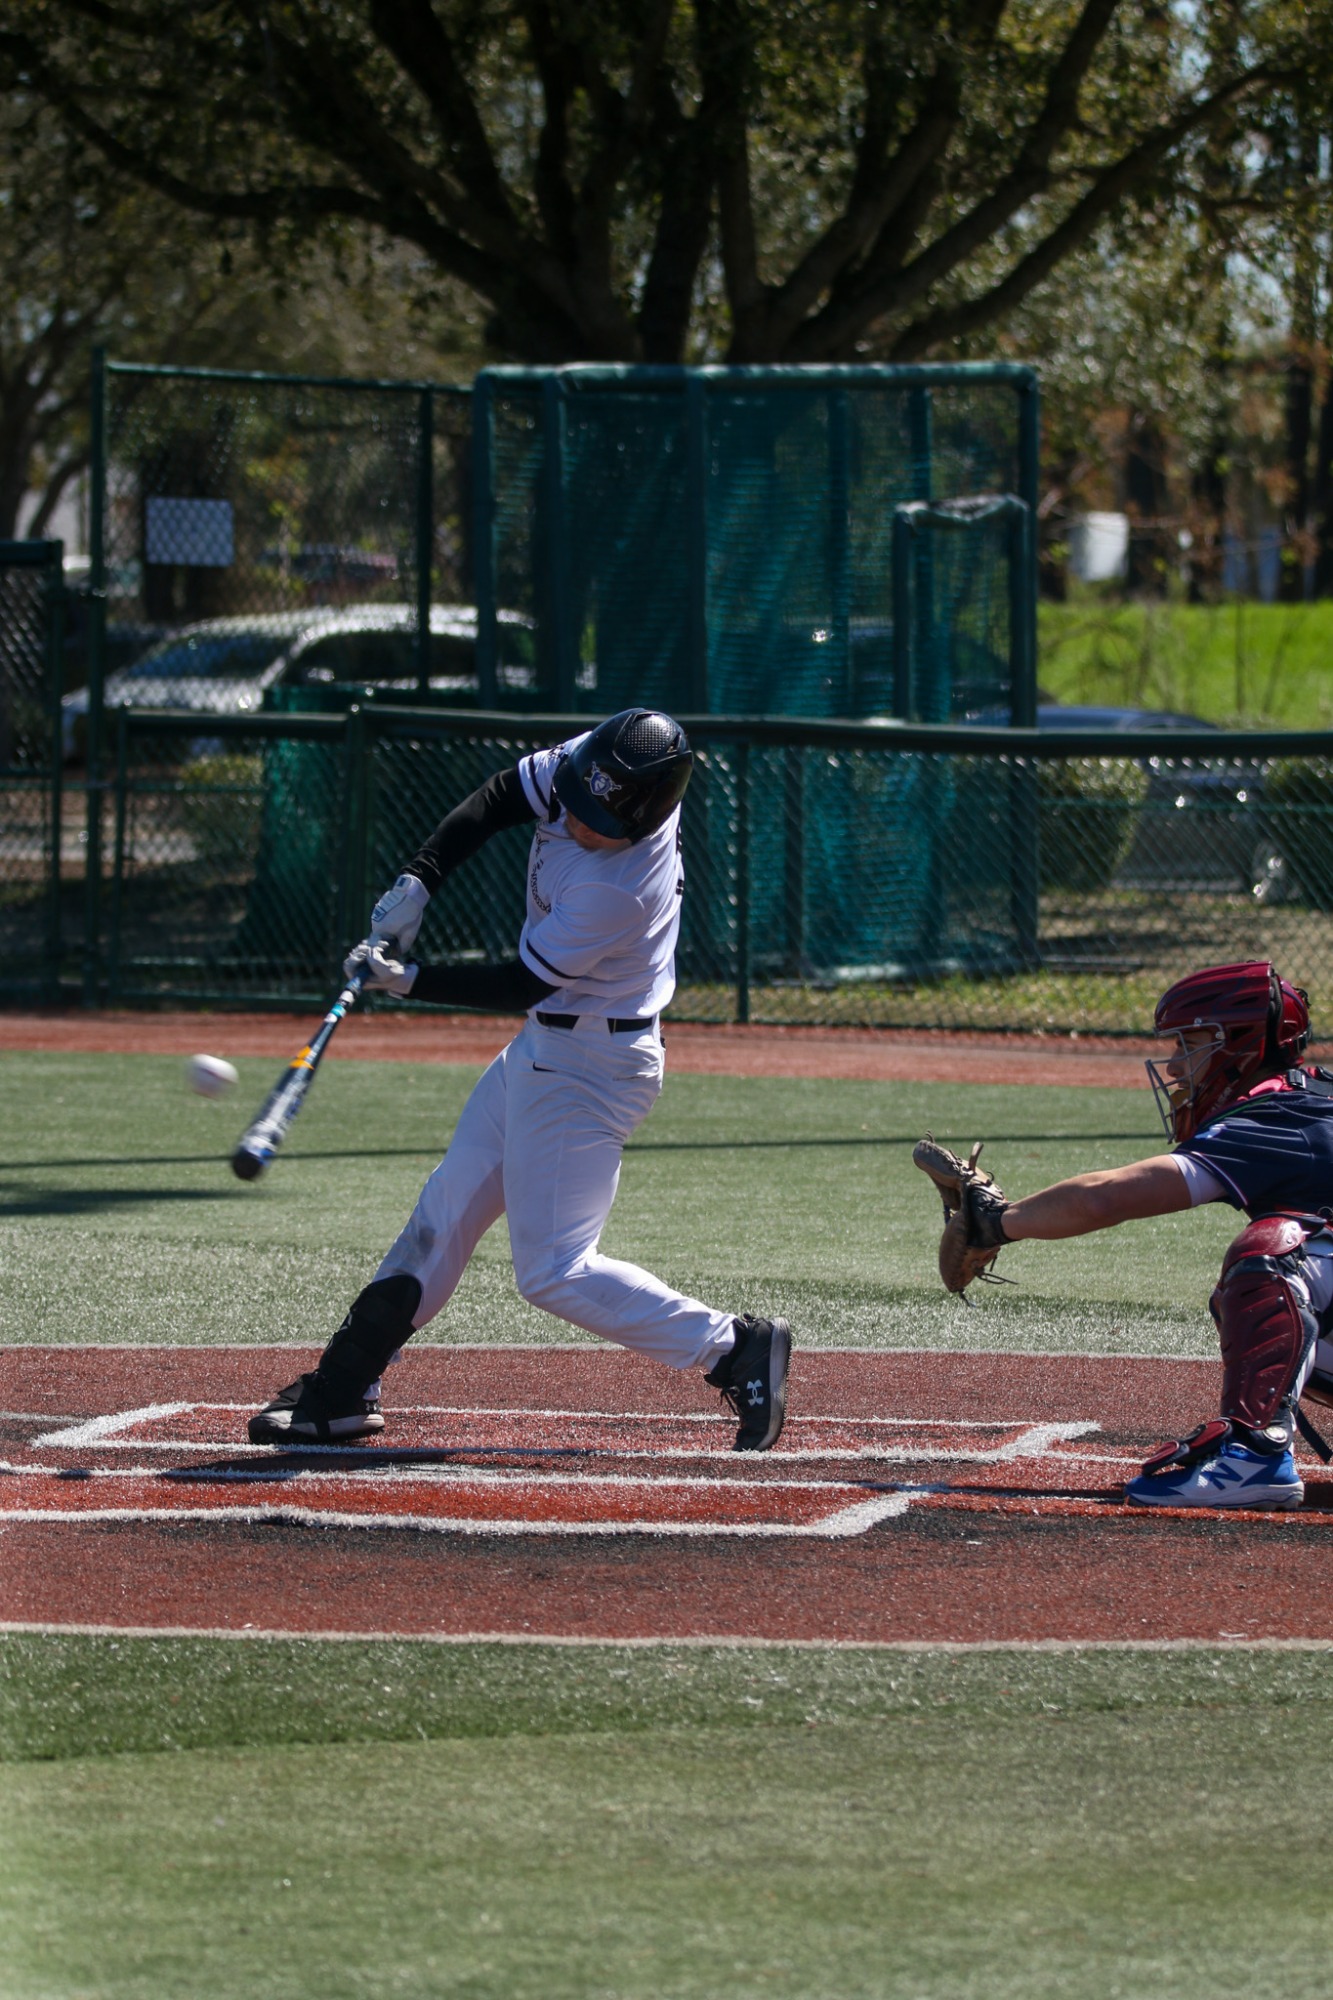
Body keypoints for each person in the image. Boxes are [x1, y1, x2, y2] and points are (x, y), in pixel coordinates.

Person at [247, 708, 790, 1453]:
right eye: (575, 796)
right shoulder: (597, 766)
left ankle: (731, 1348)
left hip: (588, 1069)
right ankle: (341, 1389)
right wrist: (419, 882)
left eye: (594, 818)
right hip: (546, 1052)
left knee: (553, 1271)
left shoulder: (621, 886)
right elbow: (503, 794)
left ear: (637, 822)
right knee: (443, 1211)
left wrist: (404, 980)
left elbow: (523, 982)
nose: (571, 817)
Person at [928, 960, 1333, 1510]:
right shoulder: (1309, 1099)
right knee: (1296, 1292)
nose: (1174, 1064)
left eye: (1188, 1043)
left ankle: (1253, 1457)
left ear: (1236, 1044)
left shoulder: (1277, 1115)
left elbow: (1108, 1196)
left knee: (1270, 1255)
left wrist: (997, 1222)